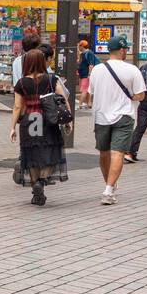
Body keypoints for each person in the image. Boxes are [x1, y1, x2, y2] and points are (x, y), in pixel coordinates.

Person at [87, 35, 146, 205]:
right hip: (124, 115)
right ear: (122, 50)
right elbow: (141, 95)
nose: (126, 51)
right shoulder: (132, 70)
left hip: (101, 115)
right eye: (126, 48)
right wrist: (133, 96)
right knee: (118, 153)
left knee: (104, 153)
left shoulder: (97, 70)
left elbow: (91, 92)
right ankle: (108, 188)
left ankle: (110, 186)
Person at [10, 49, 68, 206]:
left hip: (29, 120)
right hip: (48, 120)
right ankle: (41, 182)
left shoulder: (21, 83)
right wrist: (68, 118)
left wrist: (12, 127)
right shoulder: (51, 79)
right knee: (51, 153)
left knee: (32, 155)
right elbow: (62, 99)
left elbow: (17, 106)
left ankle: (36, 187)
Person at [77, 39, 100, 108]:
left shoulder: (89, 53)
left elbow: (91, 65)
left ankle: (79, 104)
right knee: (87, 89)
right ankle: (89, 103)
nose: (78, 47)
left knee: (84, 90)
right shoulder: (82, 54)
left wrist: (89, 75)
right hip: (82, 74)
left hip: (86, 75)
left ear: (82, 46)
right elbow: (80, 63)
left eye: (79, 46)